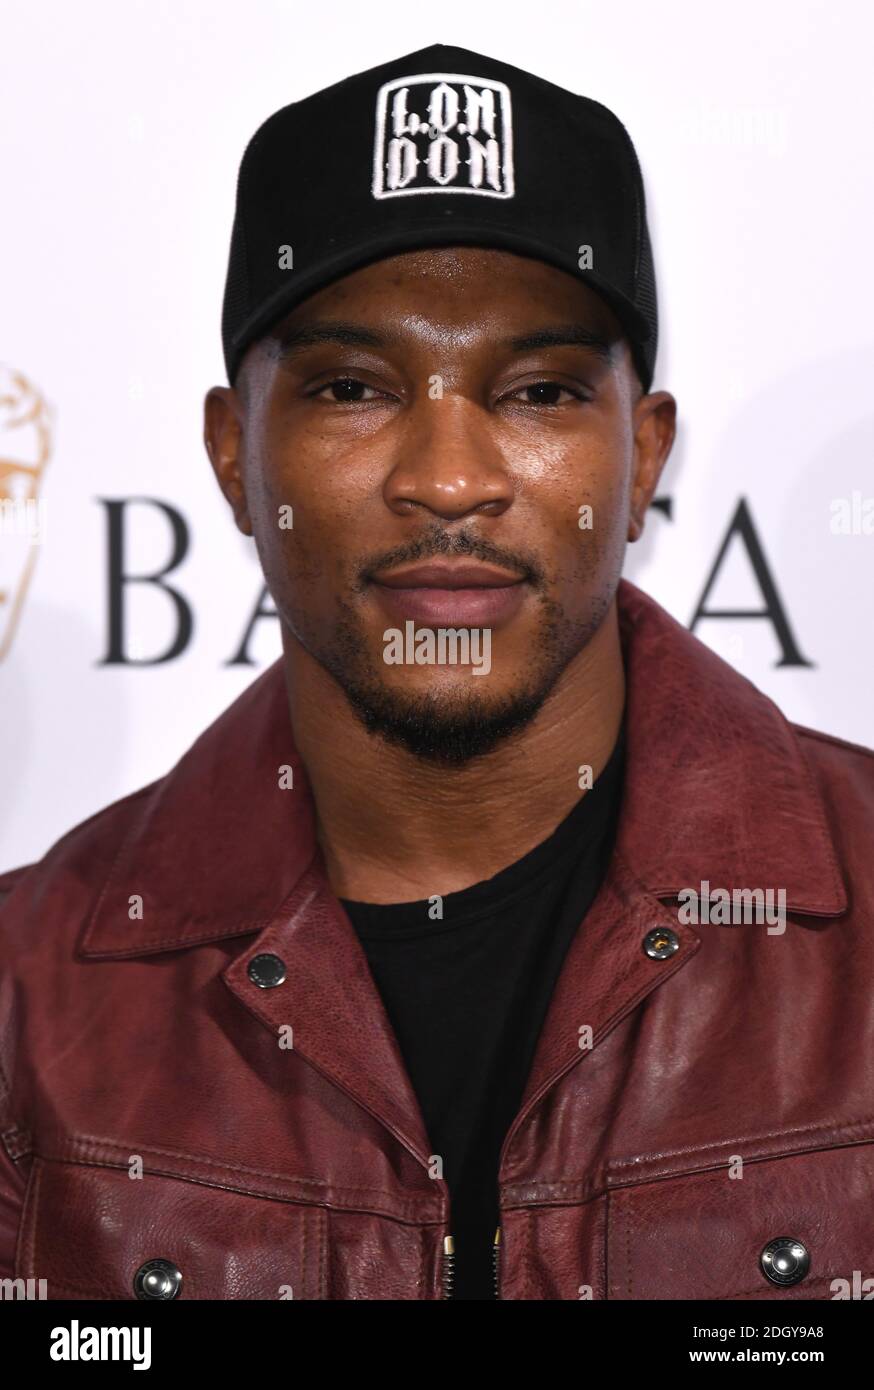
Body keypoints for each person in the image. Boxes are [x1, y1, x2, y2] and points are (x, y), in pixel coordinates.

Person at [1, 43, 873, 1302]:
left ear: (644, 459)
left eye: (539, 389)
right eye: (354, 386)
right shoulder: (32, 1005)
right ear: (233, 455)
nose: (450, 476)